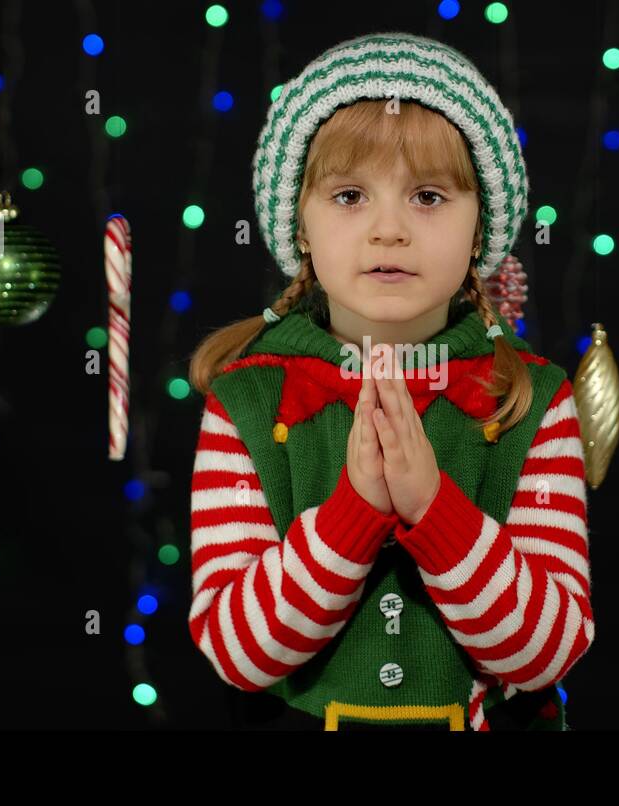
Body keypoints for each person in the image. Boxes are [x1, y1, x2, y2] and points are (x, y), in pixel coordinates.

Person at [186, 31, 594, 730]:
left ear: (480, 229)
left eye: (429, 195)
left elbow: (545, 655)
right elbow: (239, 653)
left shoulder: (534, 399)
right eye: (349, 194)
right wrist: (354, 514)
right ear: (301, 227)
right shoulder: (247, 398)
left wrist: (437, 511)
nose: (388, 229)